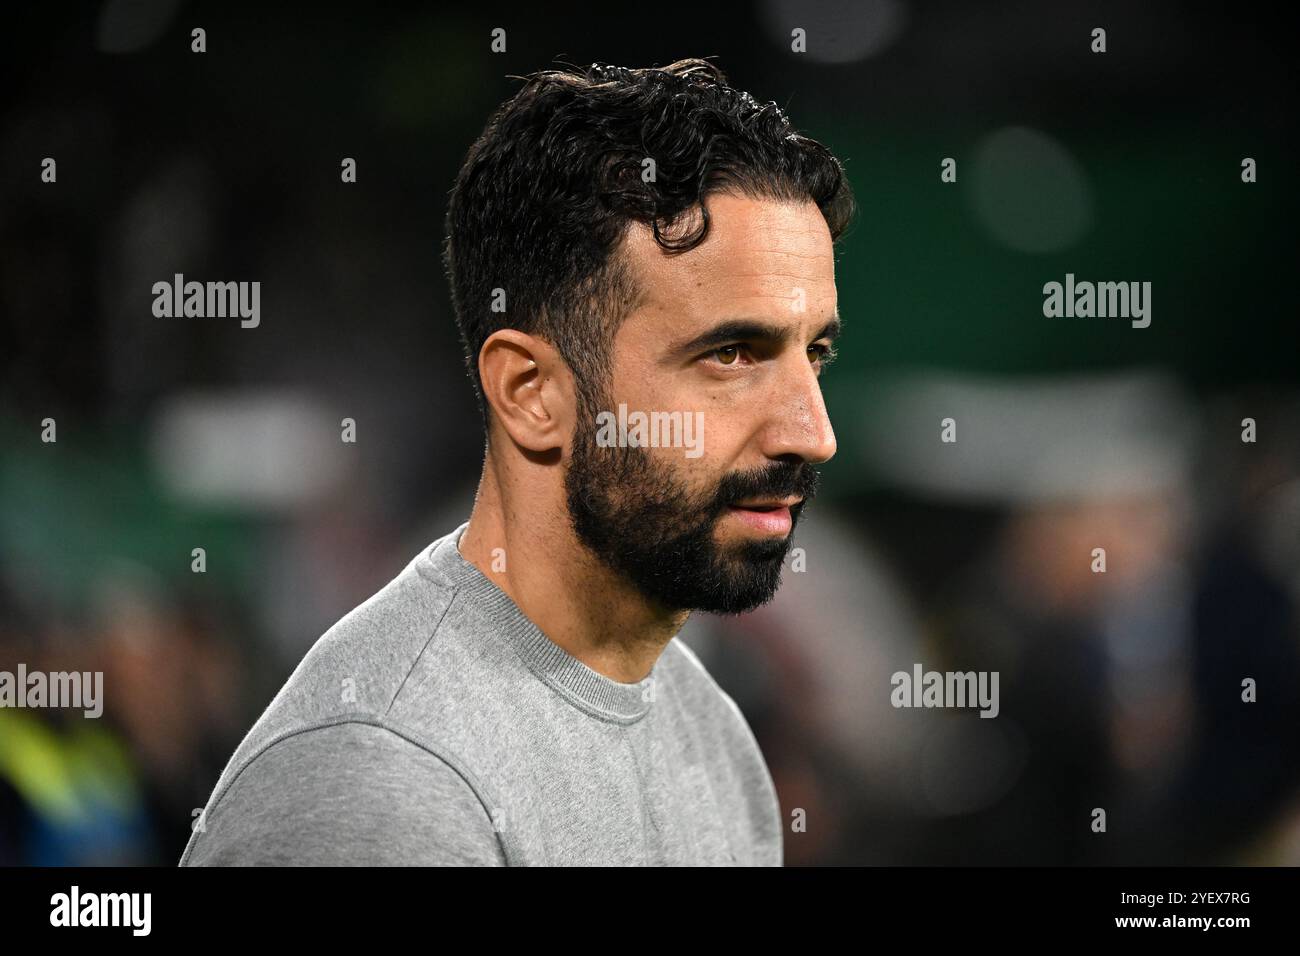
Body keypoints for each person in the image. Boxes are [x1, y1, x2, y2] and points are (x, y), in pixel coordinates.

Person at [180, 57, 854, 866]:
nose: (812, 434)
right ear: (532, 393)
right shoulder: (385, 784)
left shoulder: (711, 734)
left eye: (812, 354)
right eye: (732, 354)